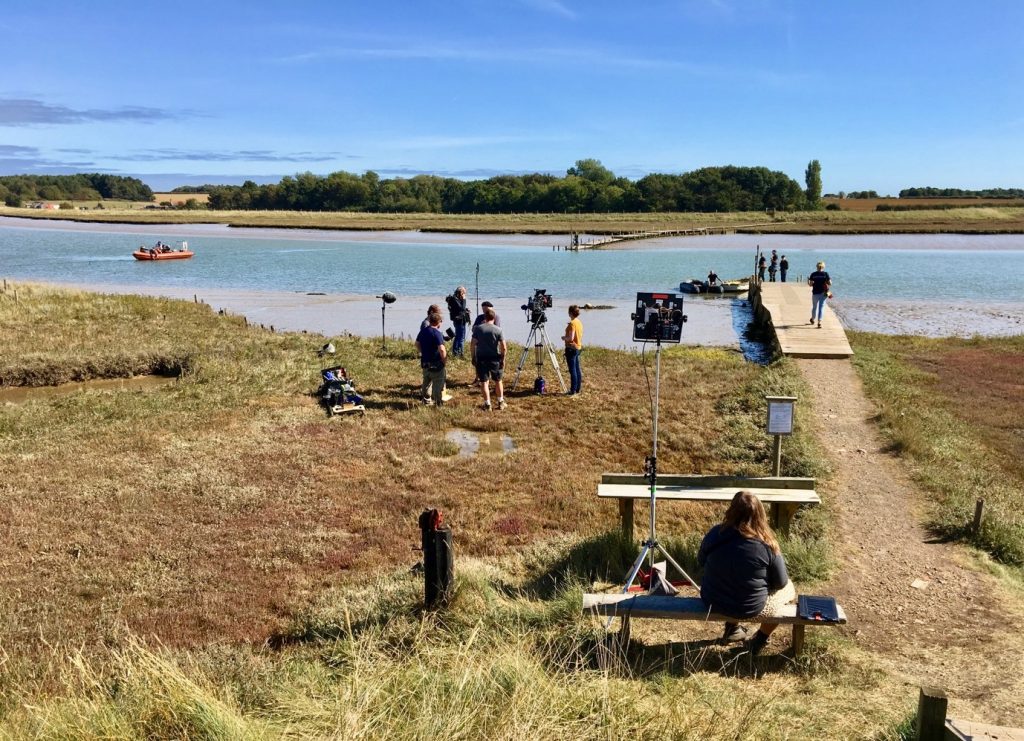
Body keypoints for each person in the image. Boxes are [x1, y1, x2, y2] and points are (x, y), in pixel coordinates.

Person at [697, 491, 795, 655]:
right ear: (760, 514)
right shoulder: (767, 543)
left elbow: (701, 561)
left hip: (712, 600)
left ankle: (732, 629)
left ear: (731, 510)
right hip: (749, 607)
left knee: (731, 581)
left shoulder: (715, 533)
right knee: (789, 589)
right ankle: (760, 640)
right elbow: (780, 582)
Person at [471, 306, 506, 411]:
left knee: (484, 382)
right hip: (495, 358)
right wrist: (503, 359)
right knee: (498, 381)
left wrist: (473, 356)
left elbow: (473, 344)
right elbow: (503, 347)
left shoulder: (478, 329)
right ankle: (500, 402)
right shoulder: (498, 330)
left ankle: (487, 404)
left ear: (484, 317)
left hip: (481, 358)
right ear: (494, 318)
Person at [415, 310, 447, 406]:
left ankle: (426, 399)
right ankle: (438, 402)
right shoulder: (437, 333)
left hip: (425, 361)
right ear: (439, 322)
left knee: (426, 381)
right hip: (436, 362)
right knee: (438, 382)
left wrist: (422, 352)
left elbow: (416, 344)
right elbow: (442, 349)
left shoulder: (423, 331)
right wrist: (444, 361)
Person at [563, 304, 583, 396]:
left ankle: (573, 390)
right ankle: (578, 388)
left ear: (570, 313)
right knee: (577, 369)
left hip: (571, 348)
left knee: (573, 370)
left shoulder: (572, 324)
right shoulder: (578, 322)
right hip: (577, 347)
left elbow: (570, 338)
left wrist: (564, 338)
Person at [446, 286, 470, 357]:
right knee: (461, 337)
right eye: (464, 293)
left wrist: (466, 311)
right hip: (459, 320)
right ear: (461, 292)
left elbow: (460, 309)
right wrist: (464, 299)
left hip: (459, 320)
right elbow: (461, 308)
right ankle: (459, 353)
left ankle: (456, 352)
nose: (464, 295)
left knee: (458, 336)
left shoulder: (456, 299)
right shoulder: (454, 299)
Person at [807, 260, 832, 328]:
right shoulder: (826, 274)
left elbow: (810, 284)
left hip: (815, 293)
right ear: (823, 267)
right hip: (824, 293)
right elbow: (830, 283)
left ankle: (812, 319)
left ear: (817, 267)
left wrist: (808, 281)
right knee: (821, 307)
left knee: (814, 307)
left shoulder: (813, 274)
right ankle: (819, 322)